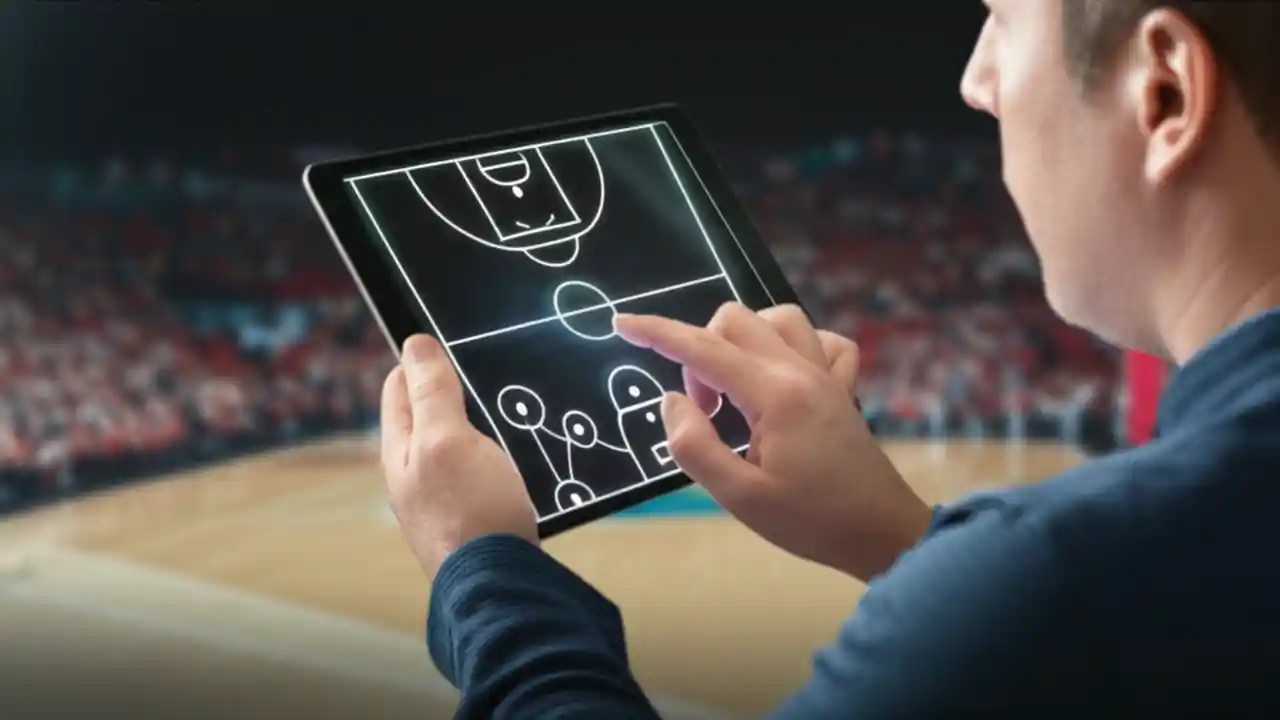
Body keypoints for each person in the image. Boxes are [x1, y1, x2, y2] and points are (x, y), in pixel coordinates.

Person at [378, 1, 1280, 715]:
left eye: (1001, 19)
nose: (976, 80)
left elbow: (1088, 609)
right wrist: (902, 541)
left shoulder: (1059, 576)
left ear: (1162, 91)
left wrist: (484, 567)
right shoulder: (1133, 575)